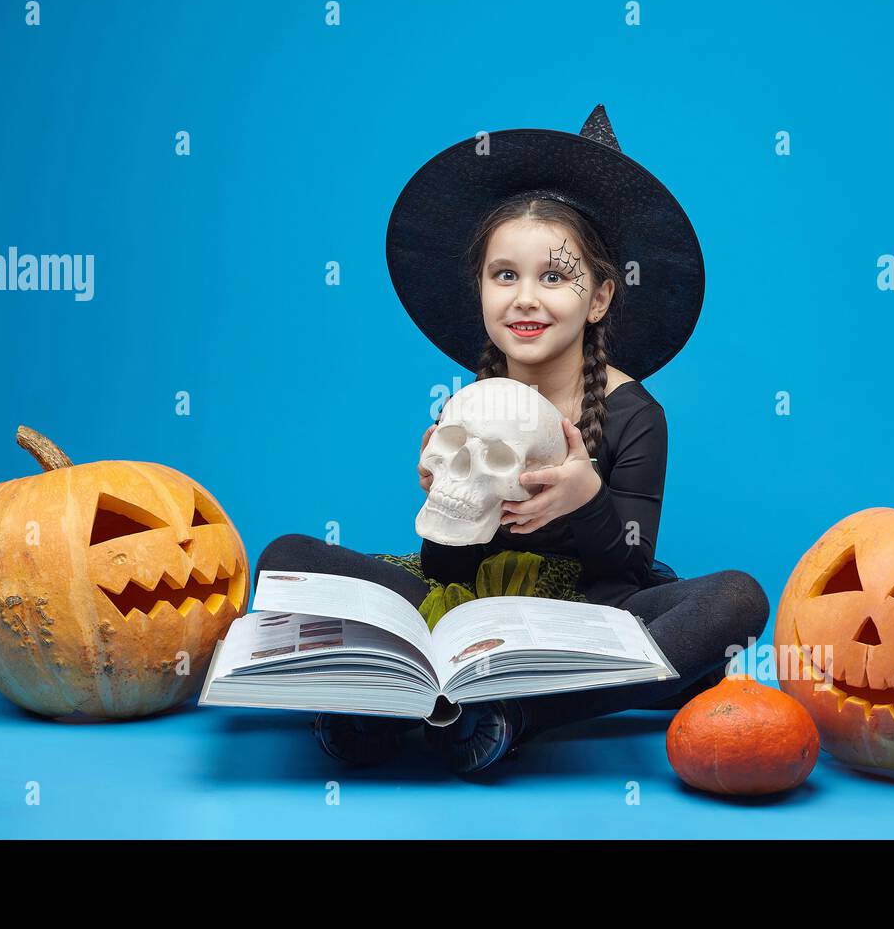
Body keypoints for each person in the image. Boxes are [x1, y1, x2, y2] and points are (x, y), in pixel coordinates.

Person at [256, 104, 768, 773]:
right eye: (506, 275)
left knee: (736, 599)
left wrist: (585, 499)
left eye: (553, 277)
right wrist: (447, 503)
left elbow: (630, 568)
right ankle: (386, 692)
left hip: (586, 613)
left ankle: (520, 711)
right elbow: (446, 576)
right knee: (284, 556)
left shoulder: (635, 412)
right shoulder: (472, 402)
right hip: (469, 605)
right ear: (480, 290)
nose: (525, 298)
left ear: (601, 297)